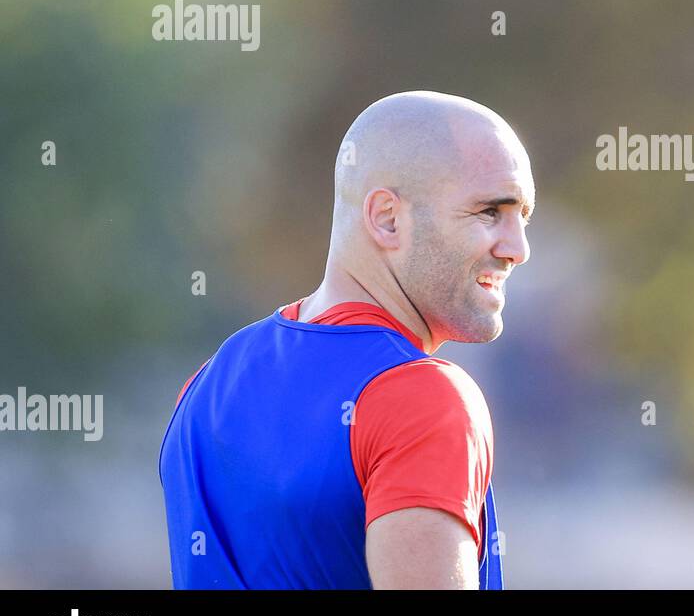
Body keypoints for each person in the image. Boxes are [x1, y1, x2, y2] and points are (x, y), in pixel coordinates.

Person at [159, 91, 535, 589]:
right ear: (386, 217)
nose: (518, 249)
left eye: (522, 218)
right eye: (490, 212)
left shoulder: (205, 386)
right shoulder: (423, 398)